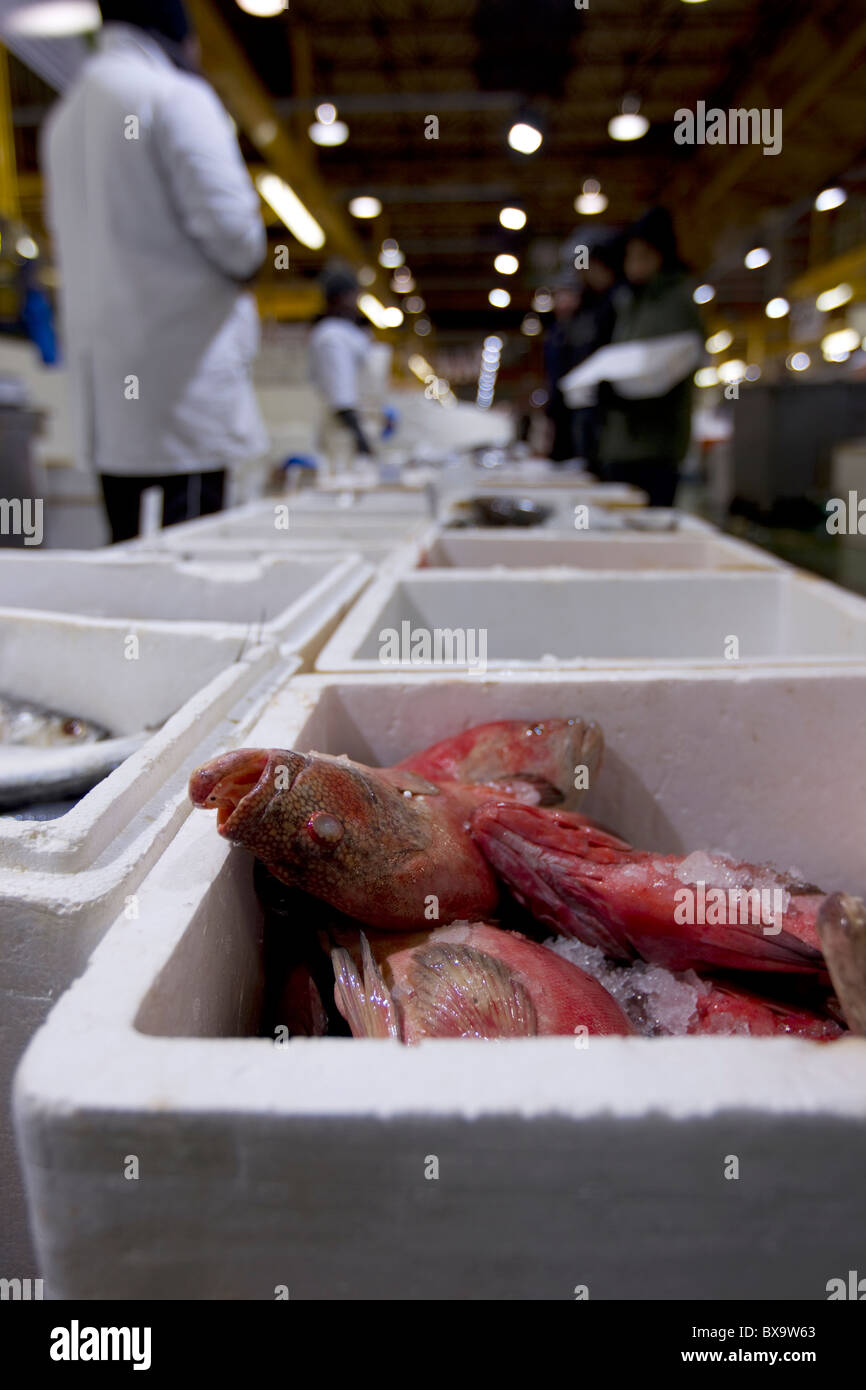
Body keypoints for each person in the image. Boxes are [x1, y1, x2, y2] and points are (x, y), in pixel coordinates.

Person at [42, 0, 268, 543]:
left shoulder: (65, 117)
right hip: (180, 391)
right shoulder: (174, 97)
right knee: (192, 572)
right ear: (175, 33)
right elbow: (237, 238)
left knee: (129, 564)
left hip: (109, 401)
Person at [594, 208, 703, 506]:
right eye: (630, 256)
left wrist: (623, 393)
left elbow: (672, 366)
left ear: (660, 256)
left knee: (650, 528)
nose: (632, 264)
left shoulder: (677, 301)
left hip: (655, 448)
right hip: (620, 444)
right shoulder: (629, 302)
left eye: (641, 255)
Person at [308, 267, 378, 463]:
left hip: (356, 425)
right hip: (344, 433)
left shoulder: (347, 332)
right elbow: (341, 397)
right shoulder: (331, 337)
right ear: (342, 297)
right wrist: (362, 442)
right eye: (354, 295)